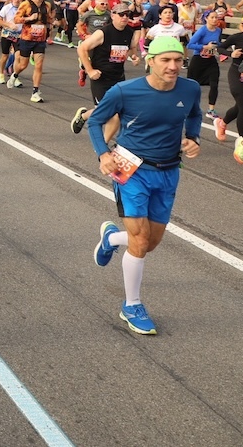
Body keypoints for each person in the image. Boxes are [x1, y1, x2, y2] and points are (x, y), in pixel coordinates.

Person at [90, 37, 201, 336]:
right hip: (132, 169)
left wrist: (193, 138)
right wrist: (103, 154)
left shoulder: (189, 89)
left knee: (151, 243)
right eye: (166, 60)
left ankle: (111, 239)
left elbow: (194, 115)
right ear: (149, 60)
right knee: (139, 242)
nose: (173, 66)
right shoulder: (125, 91)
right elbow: (95, 122)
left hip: (168, 172)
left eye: (178, 60)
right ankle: (132, 305)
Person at [70, 2, 139, 138]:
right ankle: (103, 146)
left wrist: (135, 57)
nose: (124, 17)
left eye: (127, 14)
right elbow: (82, 48)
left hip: (118, 78)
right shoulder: (103, 33)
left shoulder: (129, 33)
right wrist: (90, 71)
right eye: (121, 14)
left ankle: (85, 118)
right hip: (100, 78)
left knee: (115, 112)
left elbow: (131, 48)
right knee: (111, 115)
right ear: (113, 15)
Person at [9, 0, 55, 103]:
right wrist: (29, 19)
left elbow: (49, 19)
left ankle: (35, 91)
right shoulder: (26, 4)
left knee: (39, 65)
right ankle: (15, 74)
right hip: (27, 38)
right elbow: (16, 19)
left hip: (40, 40)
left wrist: (53, 22)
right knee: (23, 65)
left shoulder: (47, 5)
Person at [186, 10, 224, 119]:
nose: (215, 19)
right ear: (206, 18)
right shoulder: (202, 30)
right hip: (198, 60)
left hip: (211, 60)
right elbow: (190, 45)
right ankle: (189, 106)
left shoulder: (218, 30)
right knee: (193, 86)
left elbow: (219, 43)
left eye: (216, 17)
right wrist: (204, 47)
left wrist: (218, 47)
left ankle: (211, 110)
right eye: (212, 17)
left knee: (214, 84)